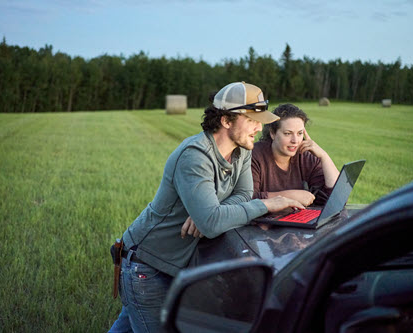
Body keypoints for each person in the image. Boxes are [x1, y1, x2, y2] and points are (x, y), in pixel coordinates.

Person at [109, 82, 305, 332]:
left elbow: (243, 194)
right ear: (226, 120)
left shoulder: (242, 150)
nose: (260, 127)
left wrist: (213, 212)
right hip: (147, 264)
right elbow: (212, 223)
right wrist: (265, 204)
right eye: (252, 120)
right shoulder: (195, 156)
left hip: (175, 263)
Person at [251, 103, 339, 207]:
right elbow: (248, 199)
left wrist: (324, 157)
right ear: (273, 133)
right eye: (288, 133)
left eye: (300, 133)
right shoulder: (255, 155)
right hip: (264, 221)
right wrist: (290, 196)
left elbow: (336, 200)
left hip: (297, 220)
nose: (295, 141)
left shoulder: (305, 155)